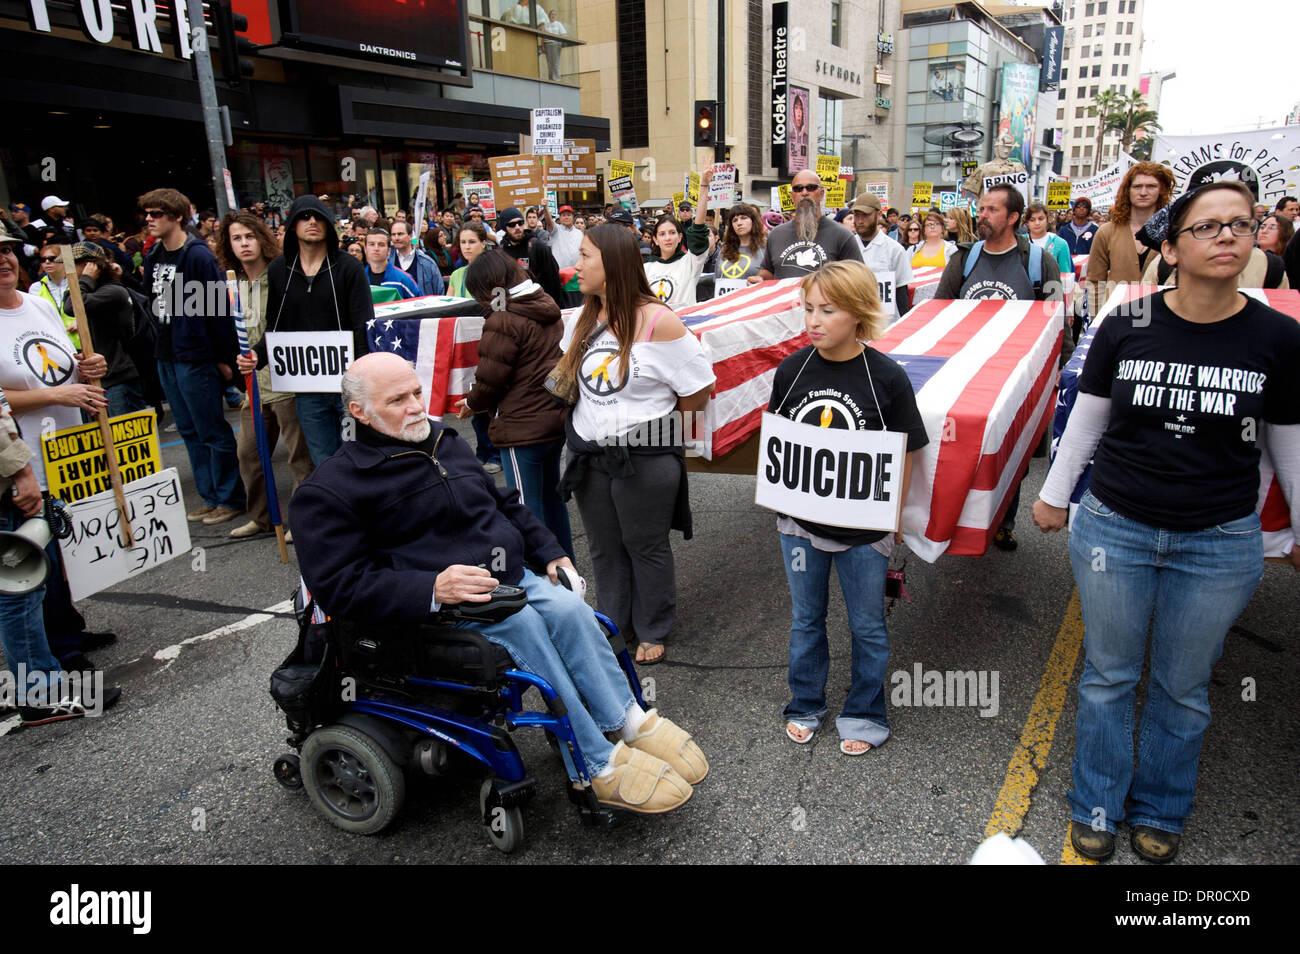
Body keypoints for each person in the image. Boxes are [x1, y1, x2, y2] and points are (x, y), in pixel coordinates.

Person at [291, 351, 706, 813]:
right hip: (436, 611)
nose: (414, 407)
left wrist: (551, 553)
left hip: (508, 578)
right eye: (397, 400)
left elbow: (507, 505)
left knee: (573, 610)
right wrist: (430, 588)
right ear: (358, 412)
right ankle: (593, 763)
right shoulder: (331, 489)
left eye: (415, 392)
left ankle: (630, 722)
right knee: (525, 624)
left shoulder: (445, 442)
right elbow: (338, 586)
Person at [1032, 180, 1300, 864]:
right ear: (1173, 247)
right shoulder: (1127, 323)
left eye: (1241, 224)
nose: (1228, 236)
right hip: (1115, 529)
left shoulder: (1279, 336)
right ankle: (1095, 804)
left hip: (1218, 542)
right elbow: (1088, 420)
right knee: (1109, 675)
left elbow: (1288, 442)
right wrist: (1055, 495)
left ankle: (1161, 808)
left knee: (1183, 686)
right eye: (1207, 227)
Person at [768, 261, 929, 754]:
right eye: (808, 308)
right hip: (799, 526)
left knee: (867, 626)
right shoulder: (791, 370)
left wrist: (894, 517)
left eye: (828, 310)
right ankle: (806, 704)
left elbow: (907, 452)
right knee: (806, 619)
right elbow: (779, 439)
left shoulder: (885, 376)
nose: (814, 320)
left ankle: (863, 712)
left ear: (858, 313)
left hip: (865, 529)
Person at [556, 225, 716, 665]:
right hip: (590, 457)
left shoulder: (660, 321)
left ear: (613, 264)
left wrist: (662, 440)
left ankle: (653, 627)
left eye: (586, 257)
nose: (577, 266)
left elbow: (698, 388)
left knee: (645, 544)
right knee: (604, 547)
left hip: (644, 458)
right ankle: (614, 624)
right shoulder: (583, 317)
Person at [934, 184, 1064, 551]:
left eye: (992, 210)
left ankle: (1004, 520)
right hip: (965, 372)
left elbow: (1059, 319)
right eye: (981, 208)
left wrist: (1059, 368)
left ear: (1013, 218)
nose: (982, 215)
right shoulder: (964, 258)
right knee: (966, 444)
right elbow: (940, 310)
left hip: (1014, 376)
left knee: (1012, 449)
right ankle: (961, 517)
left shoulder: (1038, 261)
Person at [453, 250, 572, 557]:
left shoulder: (503, 318)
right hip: (552, 418)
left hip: (521, 426)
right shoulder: (542, 303)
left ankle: (546, 579)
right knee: (551, 502)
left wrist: (470, 402)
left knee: (524, 510)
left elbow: (491, 380)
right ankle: (567, 569)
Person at [140, 188, 245, 524]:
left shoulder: (197, 255)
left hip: (196, 357)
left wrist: (223, 358)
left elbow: (216, 312)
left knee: (211, 429)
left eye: (157, 214)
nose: (149, 220)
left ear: (178, 217)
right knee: (188, 430)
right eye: (148, 214)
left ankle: (229, 498)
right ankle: (210, 496)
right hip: (167, 354)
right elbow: (152, 304)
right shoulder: (154, 255)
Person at [261, 194, 373, 467]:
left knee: (358, 455)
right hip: (308, 388)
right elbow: (275, 324)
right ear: (292, 226)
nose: (312, 221)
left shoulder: (349, 267)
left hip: (348, 387)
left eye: (318, 216)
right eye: (304, 216)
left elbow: (363, 324)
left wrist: (360, 382)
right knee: (325, 461)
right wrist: (256, 356)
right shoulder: (279, 270)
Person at [223, 213, 314, 540]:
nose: (244, 244)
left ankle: (301, 521)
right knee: (248, 455)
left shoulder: (282, 277)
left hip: (287, 381)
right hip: (253, 386)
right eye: (237, 238)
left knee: (299, 458)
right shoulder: (232, 286)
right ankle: (261, 518)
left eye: (250, 236)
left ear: (262, 239)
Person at [62, 243, 148, 418]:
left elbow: (72, 306)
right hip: (104, 378)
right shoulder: (98, 292)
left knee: (126, 439)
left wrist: (85, 278)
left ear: (89, 265)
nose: (67, 272)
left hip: (118, 378)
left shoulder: (112, 291)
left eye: (72, 265)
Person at [1085, 162, 1175, 318]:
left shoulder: (1174, 233)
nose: (1143, 192)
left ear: (1161, 190)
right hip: (1117, 316)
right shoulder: (1107, 232)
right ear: (1128, 190)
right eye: (1137, 186)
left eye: (1151, 186)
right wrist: (1097, 320)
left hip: (1162, 318)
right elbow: (1095, 281)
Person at [755, 170, 863, 281]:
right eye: (798, 189)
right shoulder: (776, 235)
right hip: (788, 298)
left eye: (811, 188)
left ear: (821, 194)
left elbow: (858, 278)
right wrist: (760, 278)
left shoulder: (842, 236)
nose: (804, 192)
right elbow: (768, 271)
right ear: (792, 196)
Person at [850, 193, 913, 324]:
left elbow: (902, 292)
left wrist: (904, 326)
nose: (860, 221)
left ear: (878, 215)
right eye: (856, 215)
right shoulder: (847, 245)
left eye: (865, 215)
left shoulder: (894, 250)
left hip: (884, 325)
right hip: (853, 323)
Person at [495, 206, 571, 307]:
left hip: (539, 306)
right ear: (505, 227)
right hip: (514, 308)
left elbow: (553, 279)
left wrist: (553, 306)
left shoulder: (536, 246)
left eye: (520, 223)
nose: (517, 227)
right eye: (512, 225)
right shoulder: (501, 252)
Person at [644, 197, 710, 309]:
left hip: (683, 324)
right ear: (655, 240)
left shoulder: (690, 263)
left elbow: (698, 231)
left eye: (672, 233)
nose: (667, 238)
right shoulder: (645, 269)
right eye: (662, 234)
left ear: (680, 237)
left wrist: (704, 185)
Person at [31, 243, 76, 349]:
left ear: (64, 260)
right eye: (43, 259)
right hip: (54, 344)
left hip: (80, 342)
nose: (47, 262)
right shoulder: (36, 288)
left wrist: (81, 322)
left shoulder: (78, 284)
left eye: (52, 258)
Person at [387, 219, 444, 297]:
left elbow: (439, 292)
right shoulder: (387, 262)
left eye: (400, 234)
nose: (396, 238)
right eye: (393, 234)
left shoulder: (427, 263)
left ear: (410, 236)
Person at [363, 227, 420, 300]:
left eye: (381, 245)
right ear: (365, 249)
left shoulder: (403, 279)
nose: (376, 248)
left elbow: (419, 305)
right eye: (371, 244)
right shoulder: (359, 279)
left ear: (389, 250)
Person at [717, 202, 767, 286]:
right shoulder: (724, 249)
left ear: (753, 221)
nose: (739, 223)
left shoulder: (765, 248)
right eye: (735, 220)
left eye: (743, 218)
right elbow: (717, 278)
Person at [1026, 202, 1074, 277]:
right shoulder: (1019, 242)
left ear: (1048, 219)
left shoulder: (1060, 243)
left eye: (1041, 219)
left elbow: (1065, 275)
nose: (1037, 223)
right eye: (1032, 220)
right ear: (1027, 222)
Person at [448, 220, 489, 298]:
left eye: (472, 242)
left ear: (483, 244)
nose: (467, 247)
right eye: (463, 242)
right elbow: (448, 307)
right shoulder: (456, 275)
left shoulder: (495, 272)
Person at [549, 205, 583, 269]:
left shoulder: (579, 233)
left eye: (569, 215)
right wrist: (545, 208)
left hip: (576, 272)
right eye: (563, 215)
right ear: (560, 218)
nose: (566, 217)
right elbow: (549, 222)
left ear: (572, 217)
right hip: (560, 272)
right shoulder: (556, 230)